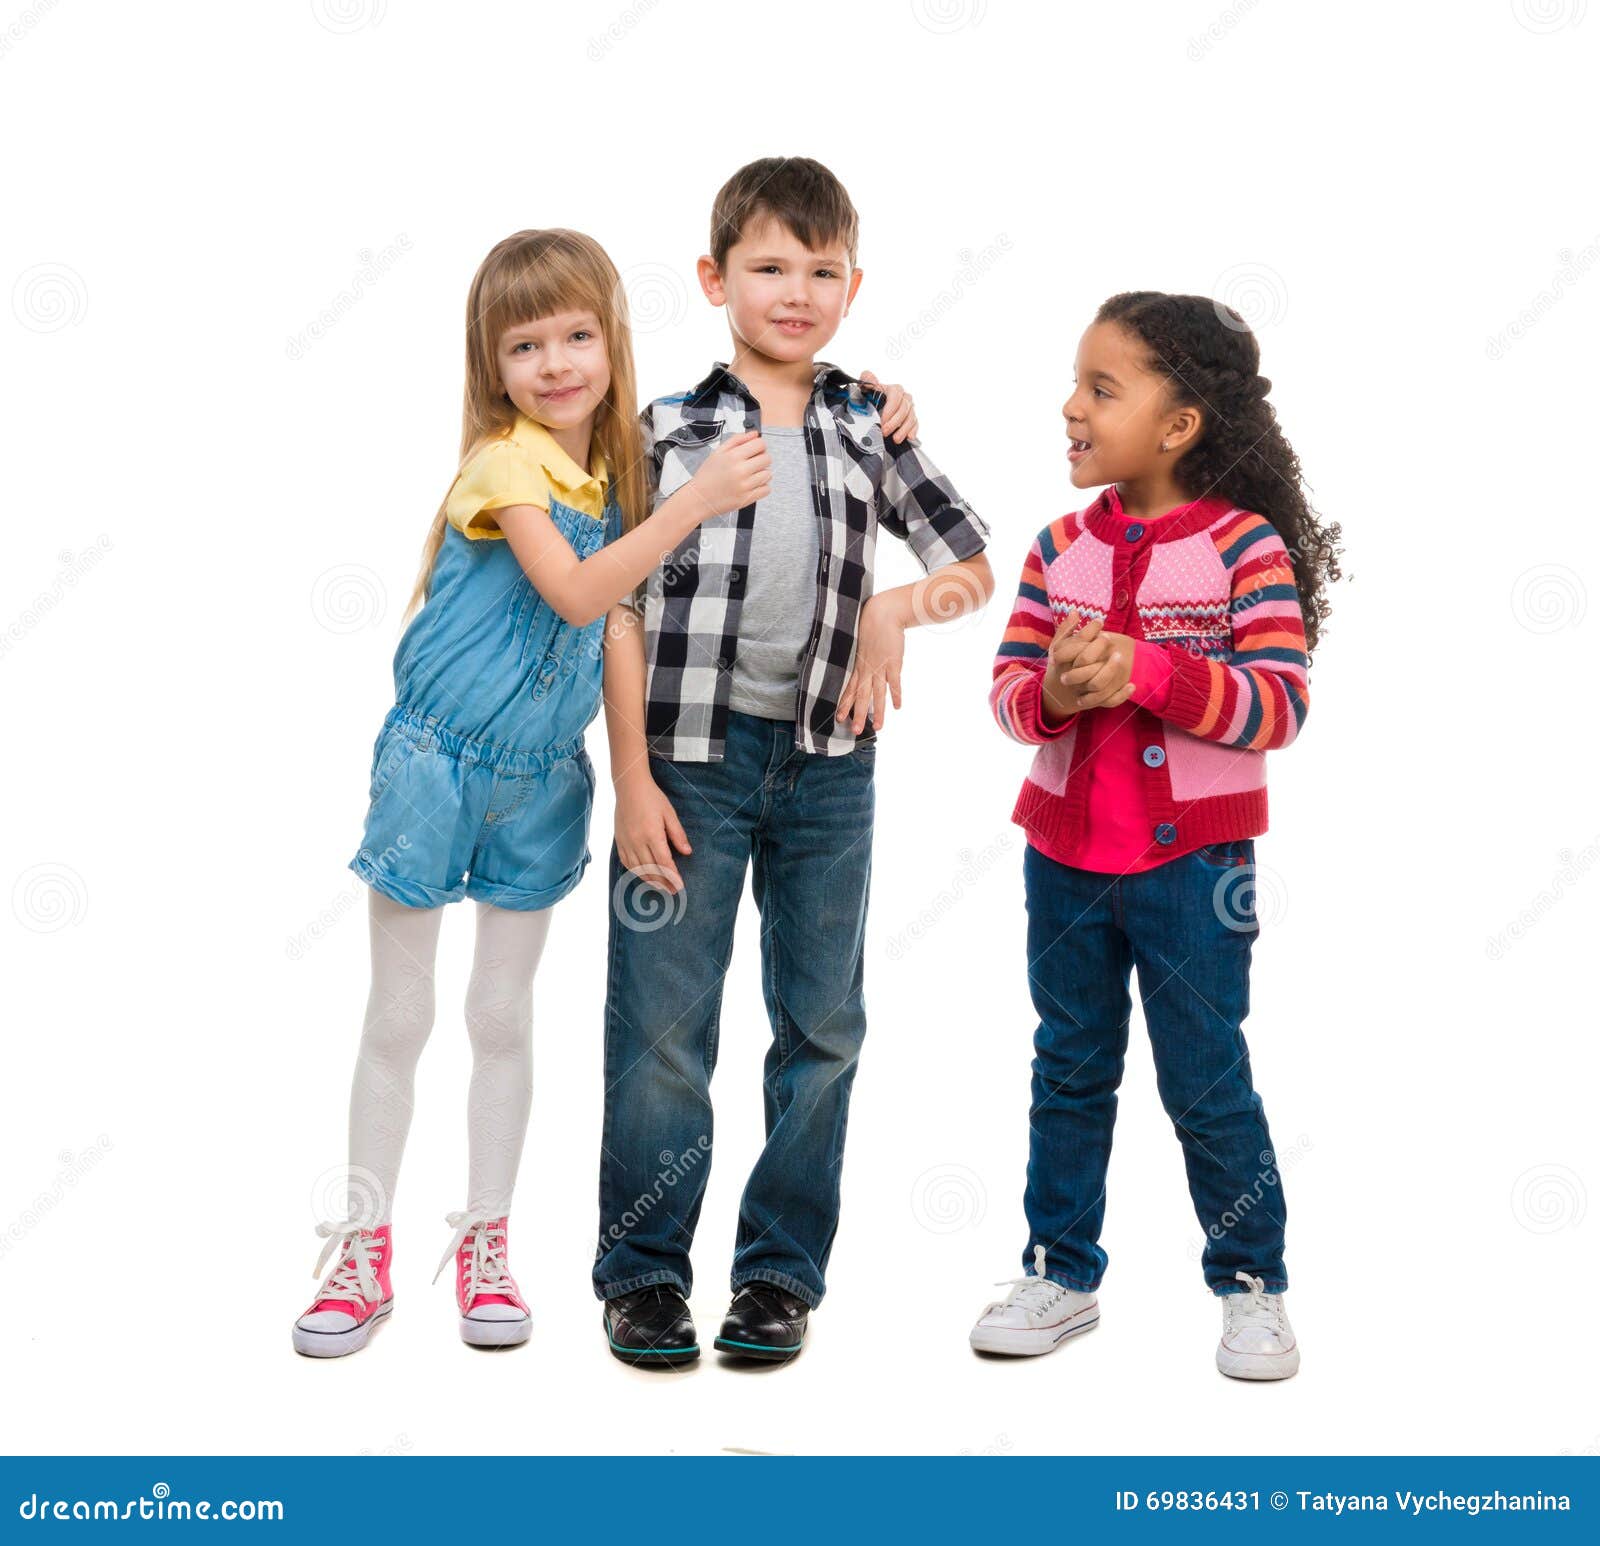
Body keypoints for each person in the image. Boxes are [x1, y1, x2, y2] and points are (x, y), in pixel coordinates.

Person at [594, 157, 995, 1367]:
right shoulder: (664, 429)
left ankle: (777, 1274)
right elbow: (614, 602)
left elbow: (974, 566)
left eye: (823, 272)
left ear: (853, 287)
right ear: (715, 278)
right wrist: (631, 778)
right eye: (769, 266)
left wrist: (894, 608)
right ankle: (643, 1275)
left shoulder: (872, 423)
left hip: (829, 767)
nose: (796, 292)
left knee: (822, 1025)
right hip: (688, 761)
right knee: (662, 1027)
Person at [971, 290, 1341, 1380]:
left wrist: (1145, 670)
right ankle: (1058, 1270)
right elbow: (1007, 695)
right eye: (1075, 385)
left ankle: (1252, 1284)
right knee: (1068, 1067)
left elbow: (1279, 703)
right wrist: (1056, 692)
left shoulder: (1243, 548)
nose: (1071, 407)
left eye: (1102, 388)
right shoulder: (1056, 548)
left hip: (1197, 868)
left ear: (1178, 425)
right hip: (1064, 861)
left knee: (1206, 1076)